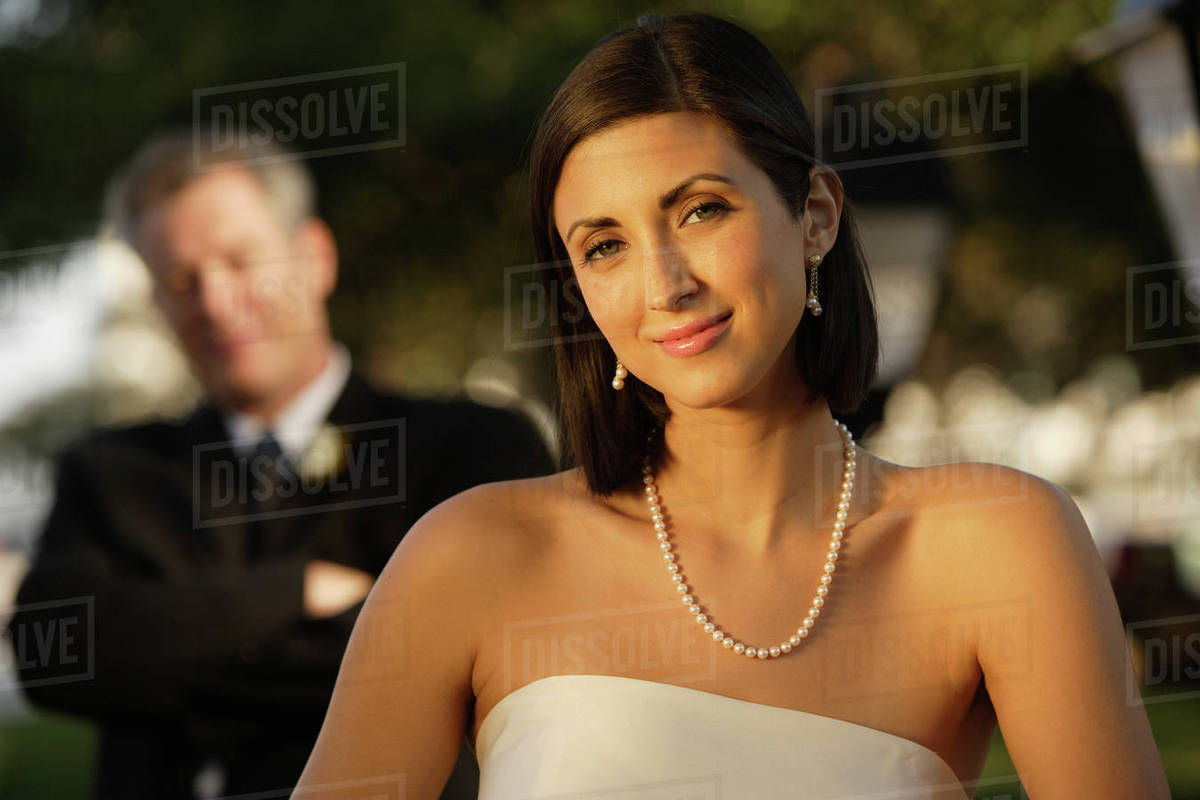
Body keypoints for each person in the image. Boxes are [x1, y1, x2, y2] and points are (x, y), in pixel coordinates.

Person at [294, 12, 1172, 800]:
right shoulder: (473, 556)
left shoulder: (996, 544)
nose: (665, 285)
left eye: (702, 210)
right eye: (604, 247)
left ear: (817, 215)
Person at [5, 132, 555, 799]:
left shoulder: (470, 450)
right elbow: (50, 655)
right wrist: (291, 593)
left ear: (315, 257)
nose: (215, 301)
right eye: (181, 281)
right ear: (156, 305)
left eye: (241, 260)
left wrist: (150, 646)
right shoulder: (112, 473)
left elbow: (470, 668)